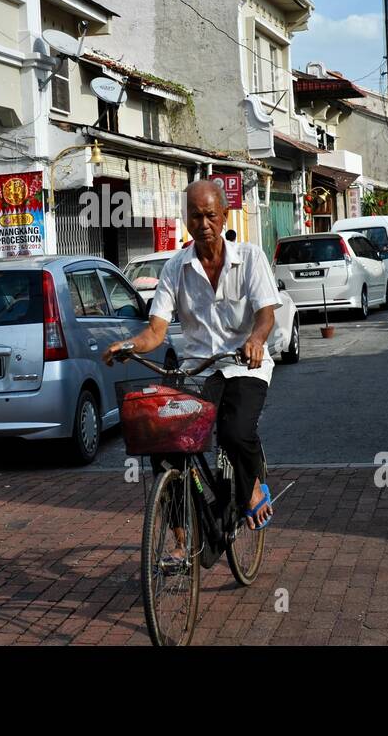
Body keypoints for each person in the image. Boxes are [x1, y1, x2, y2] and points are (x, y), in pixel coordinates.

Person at [104, 179, 279, 532]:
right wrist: (129, 346)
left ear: (224, 216)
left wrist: (256, 340)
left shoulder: (250, 258)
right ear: (186, 220)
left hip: (245, 365)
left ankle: (250, 487)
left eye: (210, 216)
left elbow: (266, 314)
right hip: (198, 370)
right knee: (163, 436)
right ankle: (180, 533)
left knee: (234, 432)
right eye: (195, 217)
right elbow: (156, 331)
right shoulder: (175, 268)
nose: (203, 224)